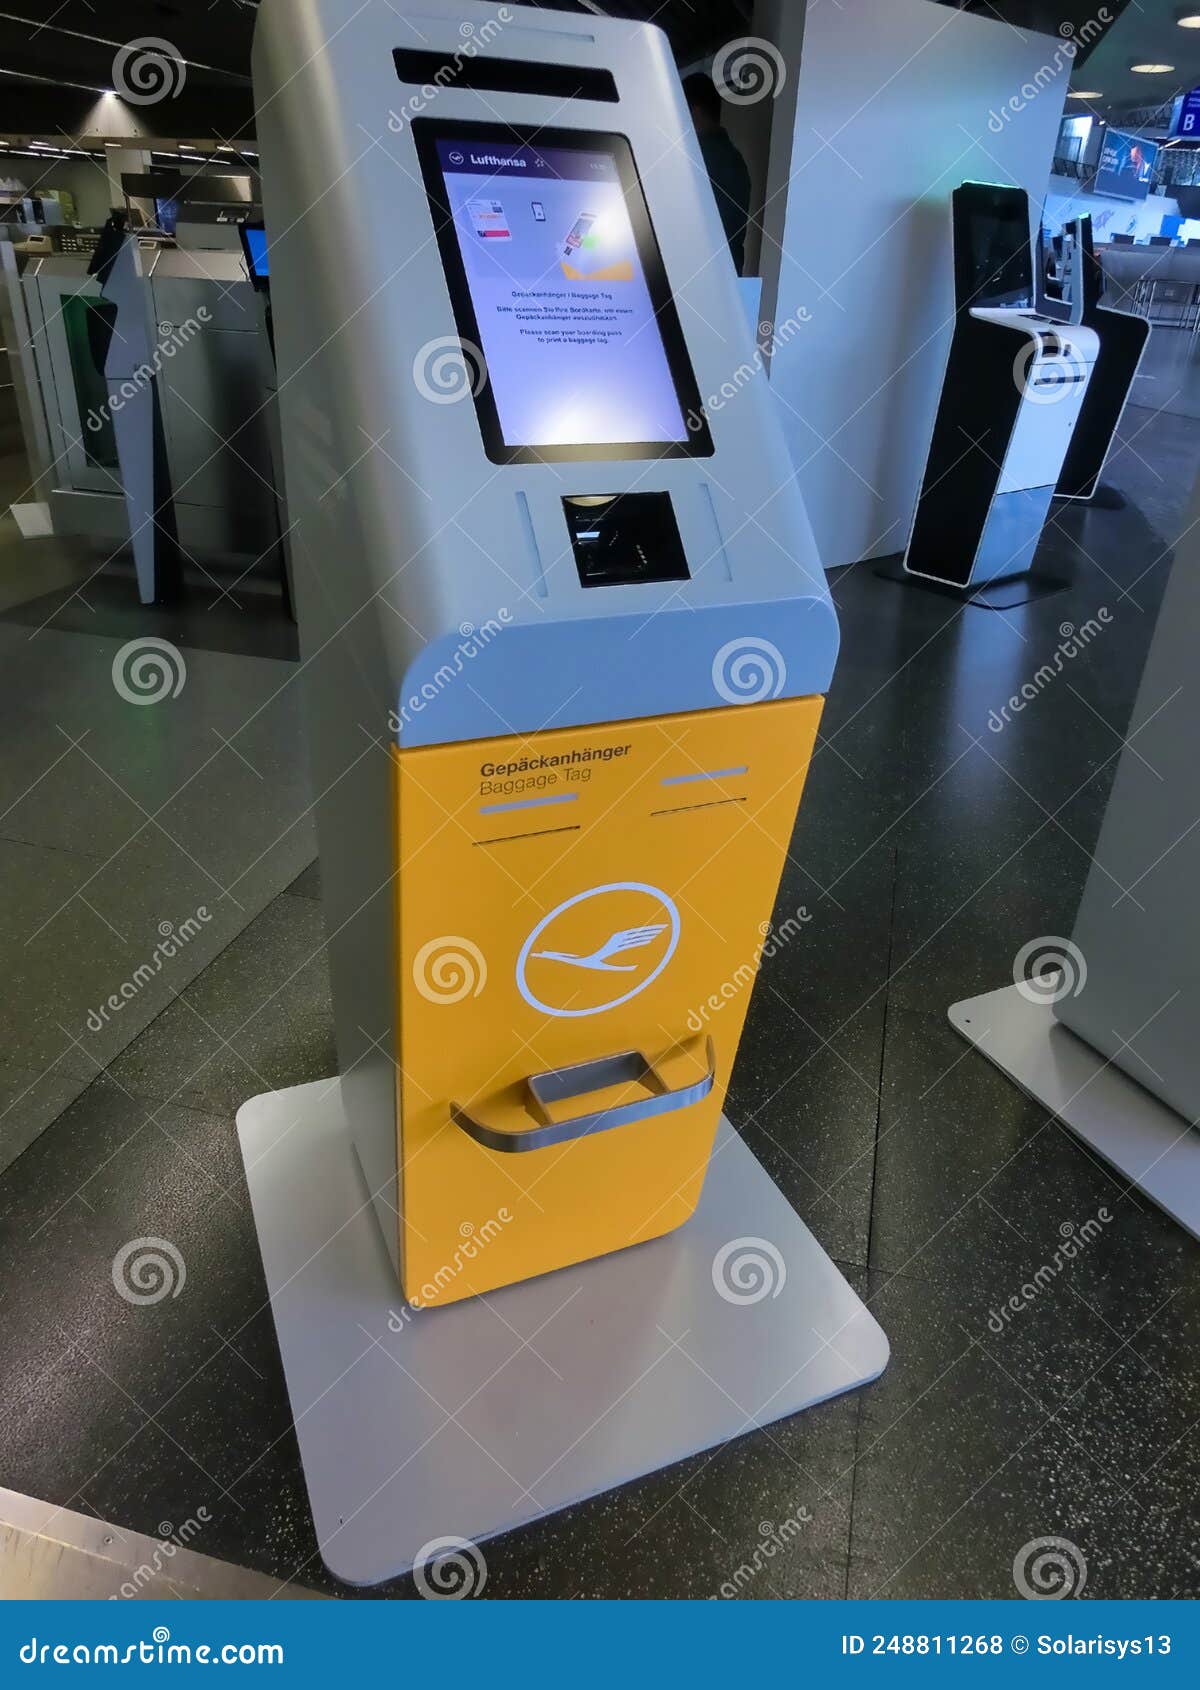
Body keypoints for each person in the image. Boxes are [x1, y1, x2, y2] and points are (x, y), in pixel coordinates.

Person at [683, 71, 753, 275]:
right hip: (730, 277)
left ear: (693, 112)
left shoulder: (695, 159)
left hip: (698, 280)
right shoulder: (735, 158)